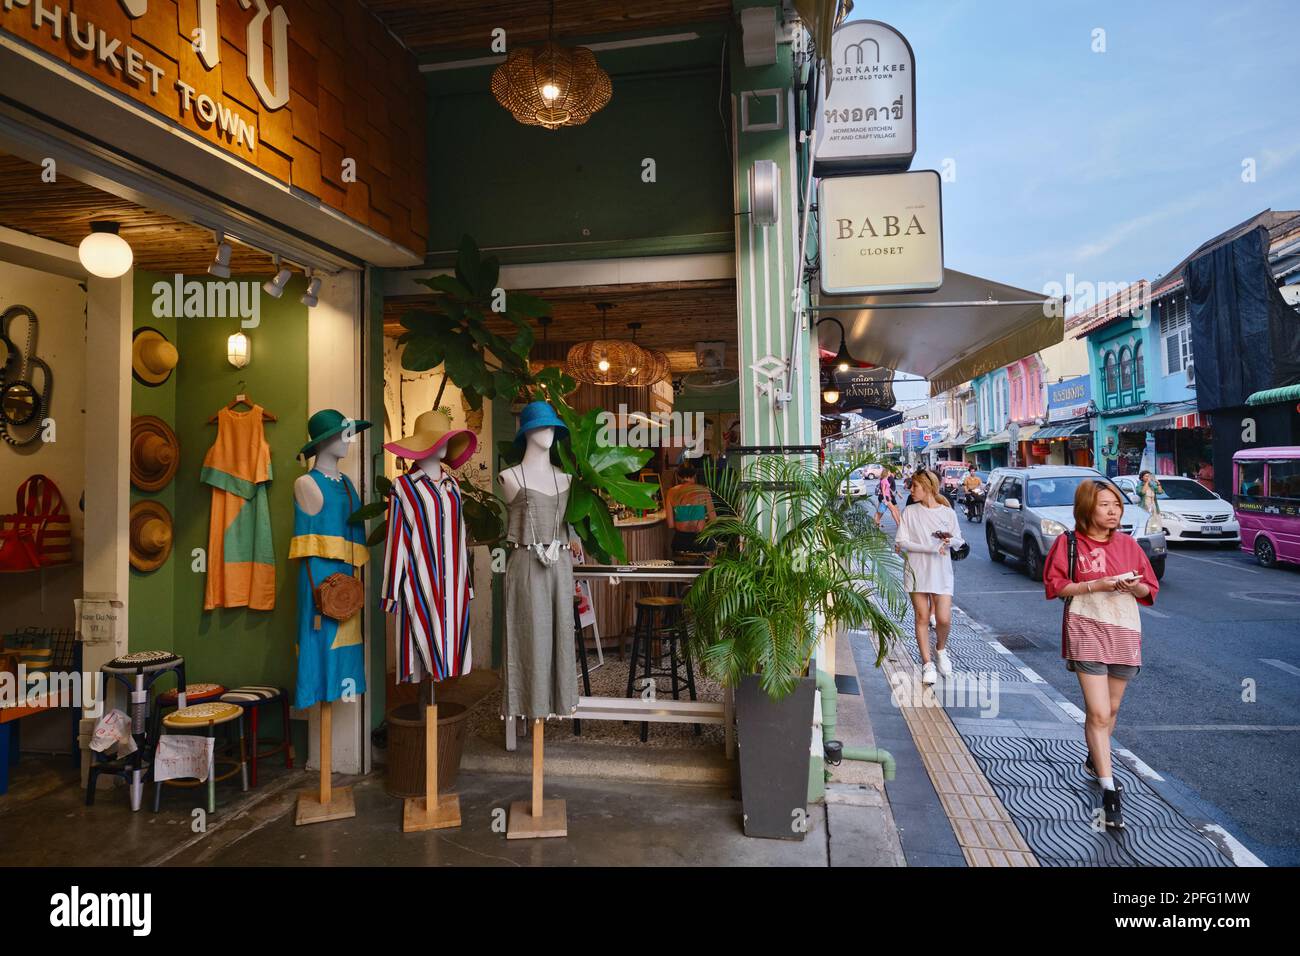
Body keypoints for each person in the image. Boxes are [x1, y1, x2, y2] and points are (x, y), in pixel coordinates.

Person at [1043, 480, 1159, 830]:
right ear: (1086, 508)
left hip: (1124, 628)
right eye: (1104, 505)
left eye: (1117, 505)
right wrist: (1098, 584)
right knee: (1097, 710)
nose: (1113, 511)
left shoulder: (1128, 544)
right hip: (1085, 625)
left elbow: (1148, 589)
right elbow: (1056, 586)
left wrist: (1131, 585)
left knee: (1113, 709)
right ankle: (1109, 790)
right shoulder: (1069, 543)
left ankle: (1095, 761)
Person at [893, 469, 964, 685]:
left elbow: (959, 540)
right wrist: (929, 548)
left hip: (941, 572)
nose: (911, 490)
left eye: (915, 486)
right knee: (922, 617)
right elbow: (901, 542)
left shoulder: (947, 513)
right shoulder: (910, 512)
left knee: (944, 619)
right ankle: (927, 663)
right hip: (916, 570)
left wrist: (948, 541)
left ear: (928, 487)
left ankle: (940, 649)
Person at [664, 459, 716, 558]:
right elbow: (713, 520)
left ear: (678, 476)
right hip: (702, 541)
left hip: (681, 541)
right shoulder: (703, 491)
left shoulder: (671, 492)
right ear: (695, 475)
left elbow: (670, 524)